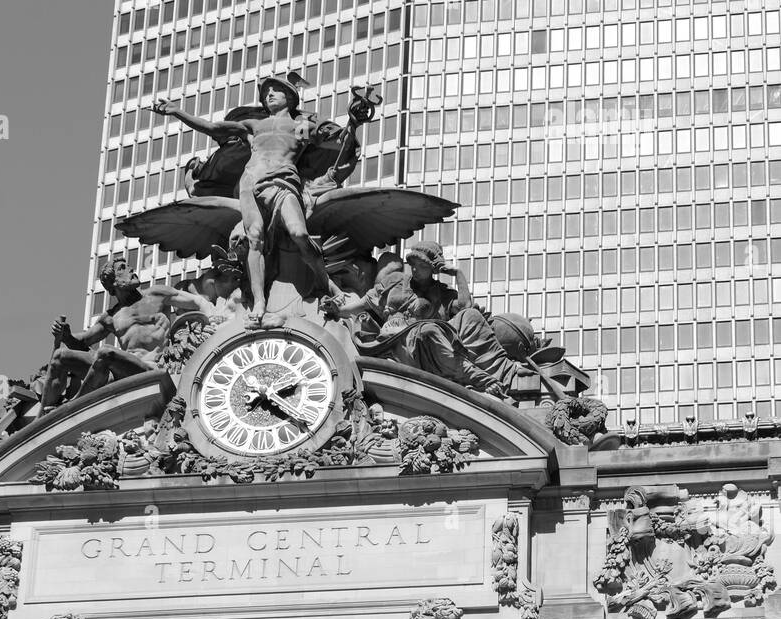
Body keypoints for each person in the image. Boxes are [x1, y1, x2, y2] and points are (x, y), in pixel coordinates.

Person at [152, 76, 332, 323]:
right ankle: (259, 302)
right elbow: (213, 128)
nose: (269, 95)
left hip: (282, 183)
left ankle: (324, 283)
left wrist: (351, 124)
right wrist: (178, 112)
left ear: (289, 97)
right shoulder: (254, 126)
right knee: (254, 239)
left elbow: (336, 144)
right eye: (266, 92)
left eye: (275, 91)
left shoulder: (301, 125)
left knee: (299, 234)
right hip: (251, 183)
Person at [322, 241, 540, 399]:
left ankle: (505, 371)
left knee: (470, 317)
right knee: (429, 330)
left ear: (434, 268)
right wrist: (339, 309)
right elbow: (363, 304)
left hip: (426, 345)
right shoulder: (394, 281)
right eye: (413, 264)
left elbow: (465, 307)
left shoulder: (440, 293)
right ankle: (478, 378)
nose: (415, 269)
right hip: (394, 340)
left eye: (422, 266)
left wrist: (458, 275)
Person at [40, 256, 215, 411]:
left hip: (151, 368)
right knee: (59, 356)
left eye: (128, 266)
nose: (131, 269)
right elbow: (83, 341)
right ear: (113, 283)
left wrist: (215, 320)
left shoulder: (156, 294)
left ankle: (73, 406)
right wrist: (66, 335)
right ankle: (46, 415)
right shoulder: (110, 317)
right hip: (119, 370)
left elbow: (198, 302)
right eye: (122, 268)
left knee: (105, 352)